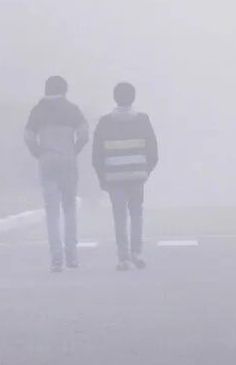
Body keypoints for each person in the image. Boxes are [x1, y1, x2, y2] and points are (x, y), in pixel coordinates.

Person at [24, 75, 88, 272]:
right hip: (68, 162)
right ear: (65, 90)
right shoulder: (72, 110)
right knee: (69, 209)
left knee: (51, 211)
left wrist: (39, 153)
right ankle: (72, 256)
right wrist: (73, 150)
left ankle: (56, 258)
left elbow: (28, 137)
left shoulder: (37, 111)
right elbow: (84, 134)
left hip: (47, 162)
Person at [92, 82, 158, 271]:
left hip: (113, 177)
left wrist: (102, 177)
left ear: (115, 98)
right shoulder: (143, 120)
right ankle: (137, 253)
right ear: (133, 98)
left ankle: (123, 257)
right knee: (136, 213)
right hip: (137, 175)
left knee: (119, 216)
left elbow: (97, 155)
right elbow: (153, 151)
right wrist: (146, 170)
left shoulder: (105, 122)